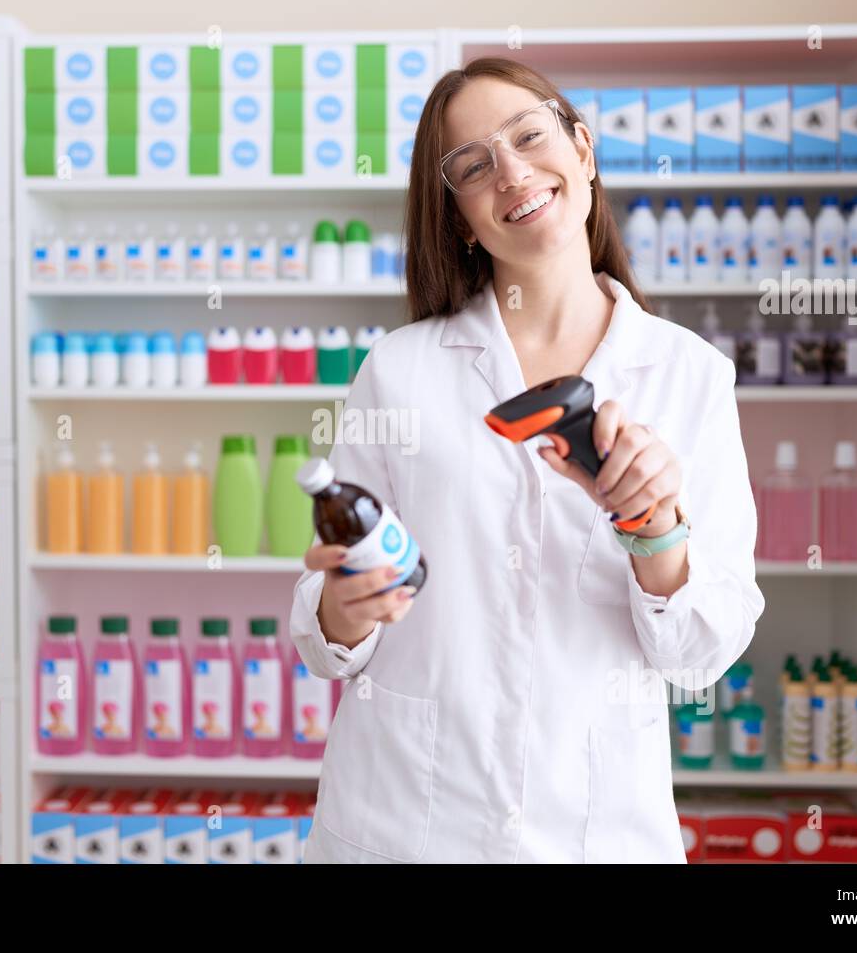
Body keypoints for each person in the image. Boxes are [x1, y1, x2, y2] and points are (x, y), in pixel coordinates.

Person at [288, 57, 765, 863]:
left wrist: (655, 535)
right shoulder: (399, 370)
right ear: (462, 221)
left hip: (595, 828)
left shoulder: (689, 376)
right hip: (405, 824)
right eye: (474, 167)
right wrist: (344, 605)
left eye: (530, 137)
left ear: (582, 151)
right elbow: (324, 632)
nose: (511, 172)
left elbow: (703, 656)